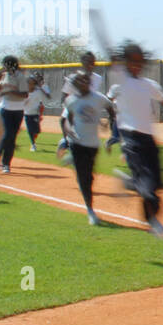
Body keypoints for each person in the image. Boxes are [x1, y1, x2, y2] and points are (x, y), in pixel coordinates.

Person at [110, 43, 163, 236]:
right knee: (147, 187)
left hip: (148, 139)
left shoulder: (149, 85)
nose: (137, 65)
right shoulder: (121, 81)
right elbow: (114, 62)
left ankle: (128, 183)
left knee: (157, 183)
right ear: (126, 62)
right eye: (132, 61)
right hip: (131, 139)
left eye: (140, 61)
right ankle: (154, 222)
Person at [61, 70, 116, 225]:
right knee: (84, 178)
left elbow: (111, 108)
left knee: (90, 176)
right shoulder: (70, 100)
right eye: (80, 80)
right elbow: (66, 119)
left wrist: (109, 122)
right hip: (77, 143)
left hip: (92, 144)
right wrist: (68, 132)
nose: (84, 82)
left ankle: (72, 159)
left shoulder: (99, 98)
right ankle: (90, 210)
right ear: (75, 84)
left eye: (86, 80)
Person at [57, 51, 105, 165]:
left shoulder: (98, 78)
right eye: (88, 61)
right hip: (73, 110)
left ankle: (66, 145)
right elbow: (64, 96)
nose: (90, 64)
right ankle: (67, 145)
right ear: (82, 62)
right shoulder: (73, 78)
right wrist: (68, 106)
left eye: (93, 62)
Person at [0, 56, 30, 173]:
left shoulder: (21, 77)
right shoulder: (4, 75)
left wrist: (10, 91)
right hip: (5, 108)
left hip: (18, 110)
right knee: (8, 135)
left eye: (6, 65)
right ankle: (3, 162)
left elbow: (25, 94)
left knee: (11, 137)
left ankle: (3, 160)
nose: (4, 67)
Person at [23, 74, 51, 152]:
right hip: (27, 113)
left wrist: (41, 88)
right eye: (29, 83)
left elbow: (48, 96)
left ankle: (33, 139)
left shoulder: (38, 91)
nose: (30, 85)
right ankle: (33, 144)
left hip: (35, 113)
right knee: (30, 130)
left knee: (37, 130)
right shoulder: (24, 92)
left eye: (32, 83)